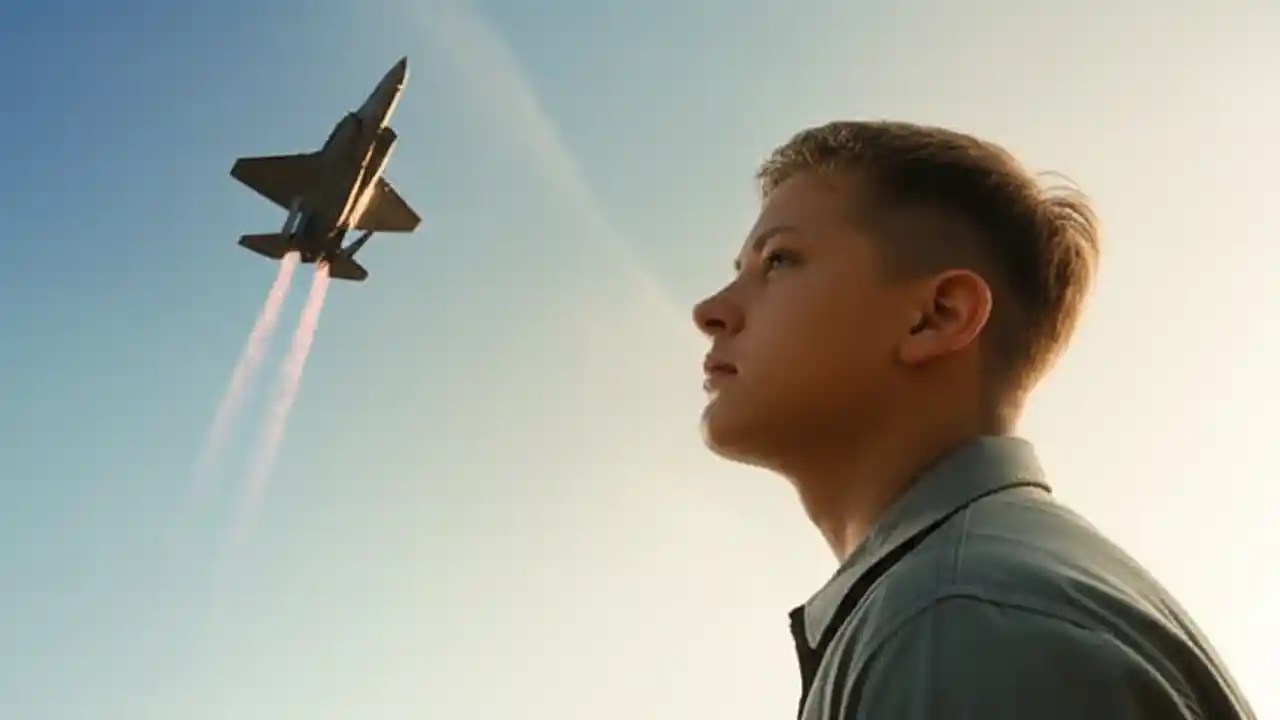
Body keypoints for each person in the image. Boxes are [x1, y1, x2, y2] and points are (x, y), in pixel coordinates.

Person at [692, 121, 1256, 719]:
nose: (711, 311)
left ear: (937, 316)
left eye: (778, 260)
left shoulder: (956, 620)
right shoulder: (973, 598)